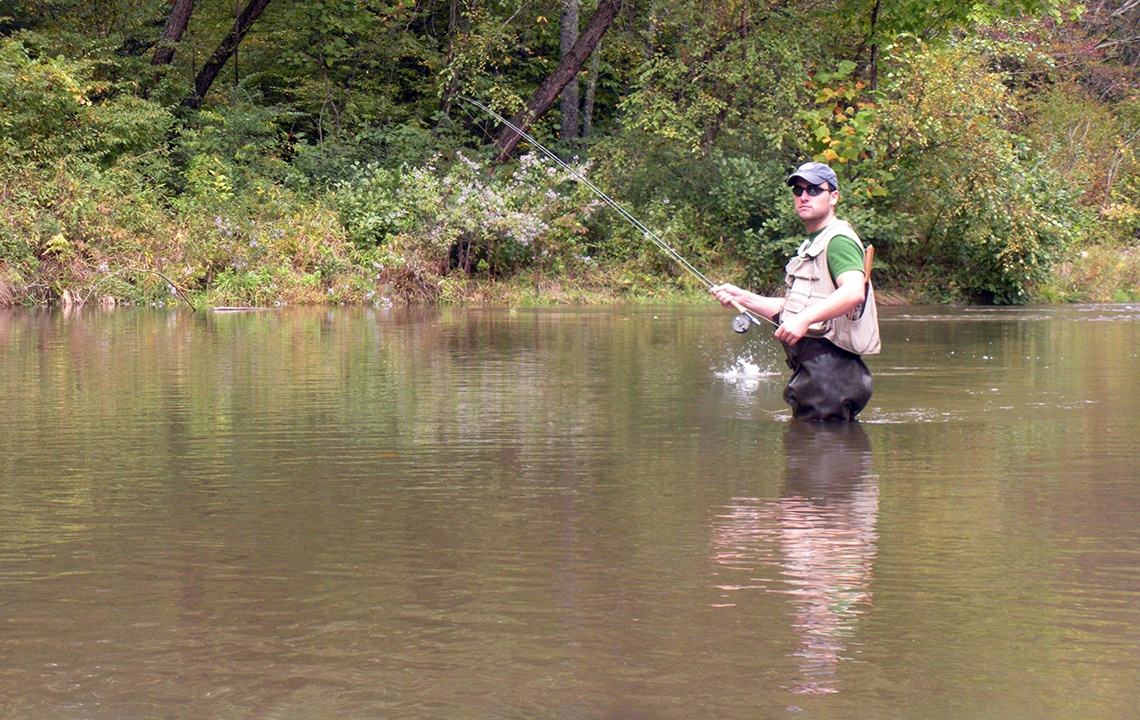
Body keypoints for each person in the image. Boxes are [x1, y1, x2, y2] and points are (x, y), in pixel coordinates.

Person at [711, 162, 880, 421]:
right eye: (798, 190)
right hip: (817, 376)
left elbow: (854, 292)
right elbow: (791, 308)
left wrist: (805, 319)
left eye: (814, 190)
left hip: (830, 377)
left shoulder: (839, 241)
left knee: (817, 452)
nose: (803, 196)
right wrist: (742, 297)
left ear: (833, 196)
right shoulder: (815, 242)